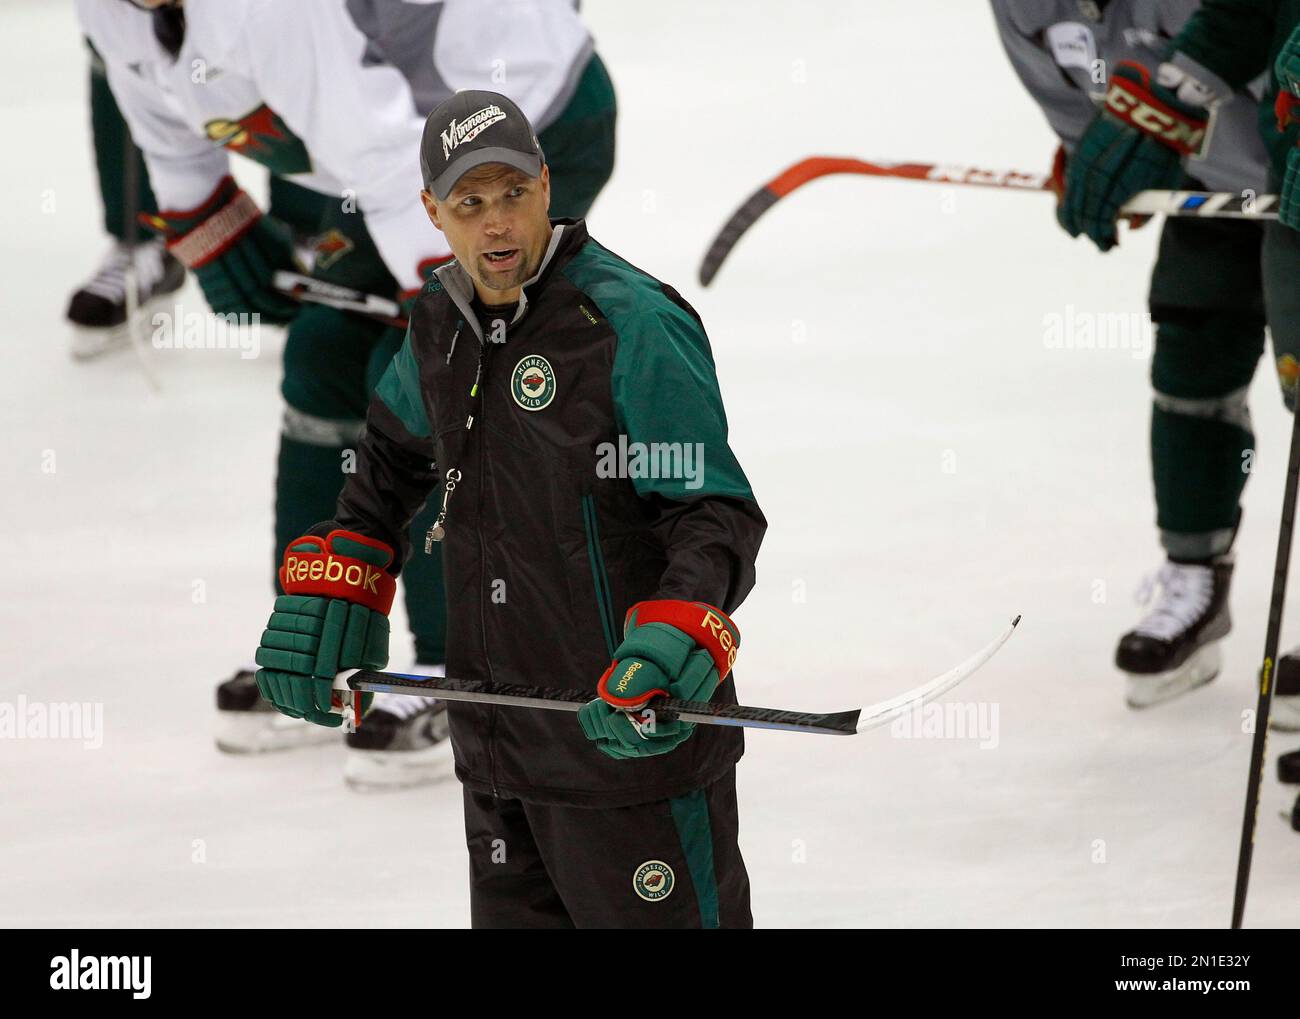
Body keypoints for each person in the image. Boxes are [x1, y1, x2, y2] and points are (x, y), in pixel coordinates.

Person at [253, 91, 766, 928]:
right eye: (470, 203)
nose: (497, 223)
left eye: (514, 194)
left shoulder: (631, 321)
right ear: (432, 211)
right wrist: (347, 567)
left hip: (632, 750)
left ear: (547, 186)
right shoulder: (439, 323)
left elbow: (712, 511)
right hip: (498, 760)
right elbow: (386, 465)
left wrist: (677, 632)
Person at [78, 0, 616, 788]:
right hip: (387, 149)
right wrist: (209, 223)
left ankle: (463, 668)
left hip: (526, 123)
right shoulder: (106, 9)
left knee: (427, 388)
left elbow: (390, 161)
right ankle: (316, 640)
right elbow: (155, 103)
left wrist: (448, 316)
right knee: (323, 359)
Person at [993, 0, 1286, 711]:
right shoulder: (1019, 7)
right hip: (1211, 193)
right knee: (1189, 363)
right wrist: (1098, 160)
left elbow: (1266, 36)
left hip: (1295, 183)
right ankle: (1195, 578)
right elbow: (1076, 108)